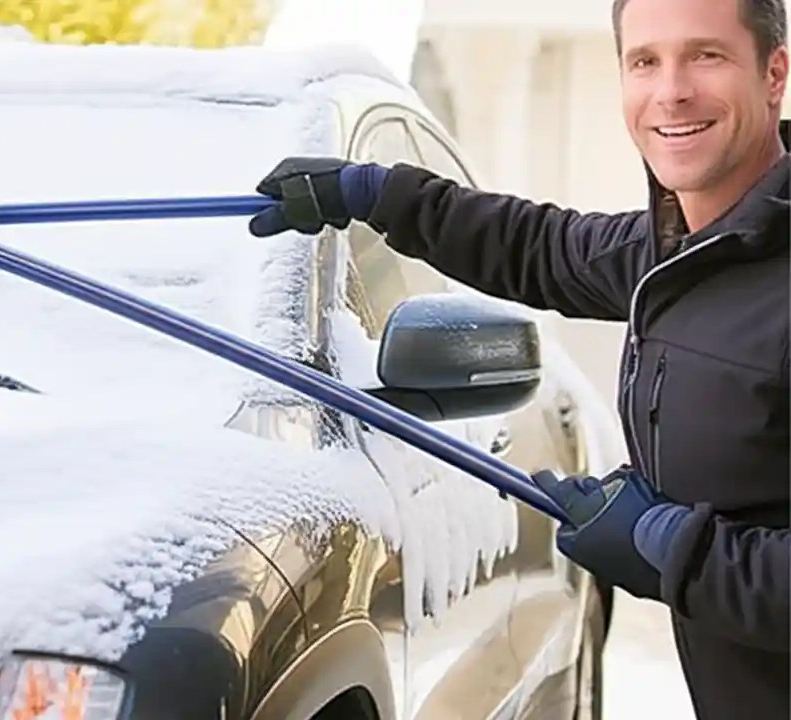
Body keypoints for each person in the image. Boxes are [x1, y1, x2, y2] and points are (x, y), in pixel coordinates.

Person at [247, 0, 790, 716]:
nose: (672, 90)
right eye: (645, 61)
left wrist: (670, 548)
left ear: (775, 73)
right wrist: (377, 195)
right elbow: (541, 248)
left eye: (706, 56)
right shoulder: (686, 247)